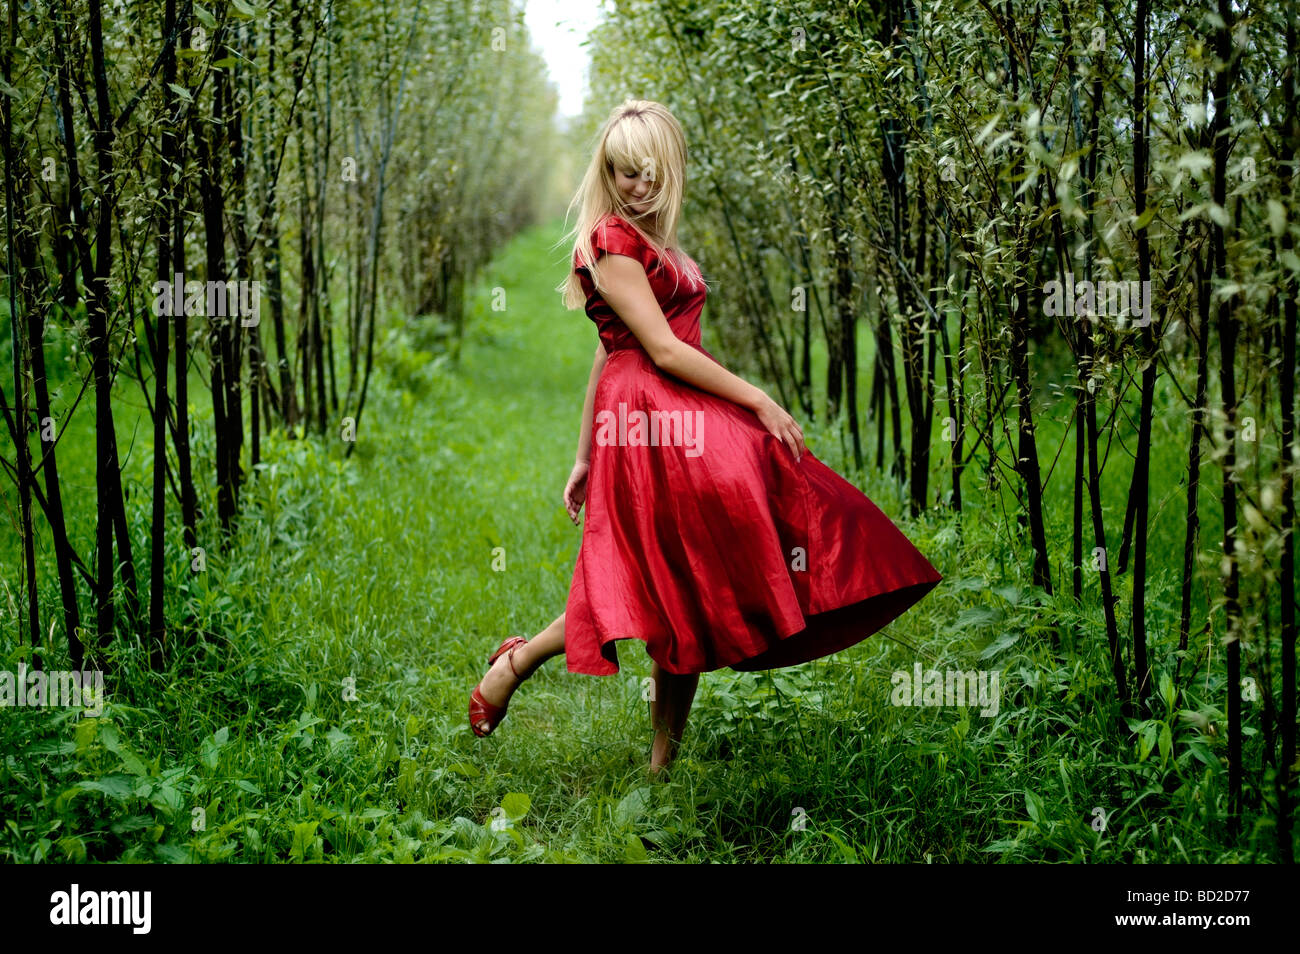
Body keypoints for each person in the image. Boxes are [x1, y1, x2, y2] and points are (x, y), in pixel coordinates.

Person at [469, 99, 941, 776]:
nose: (639, 185)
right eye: (624, 172)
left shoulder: (660, 244)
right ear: (607, 172)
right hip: (647, 419)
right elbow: (649, 350)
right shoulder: (612, 240)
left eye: (651, 171)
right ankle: (515, 664)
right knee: (648, 575)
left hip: (669, 409)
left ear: (672, 168)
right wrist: (756, 396)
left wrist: (580, 455)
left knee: (681, 585)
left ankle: (661, 766)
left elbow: (608, 355)